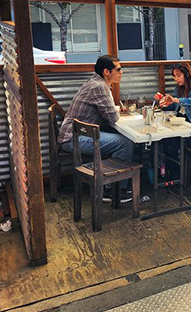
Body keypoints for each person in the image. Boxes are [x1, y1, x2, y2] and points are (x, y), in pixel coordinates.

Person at [58, 55, 135, 202]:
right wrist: (117, 110)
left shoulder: (95, 81)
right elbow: (113, 117)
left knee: (120, 137)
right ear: (107, 71)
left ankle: (112, 183)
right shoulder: (99, 86)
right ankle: (112, 191)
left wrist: (114, 109)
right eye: (118, 69)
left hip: (74, 134)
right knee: (125, 143)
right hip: (73, 139)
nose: (121, 72)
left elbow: (109, 113)